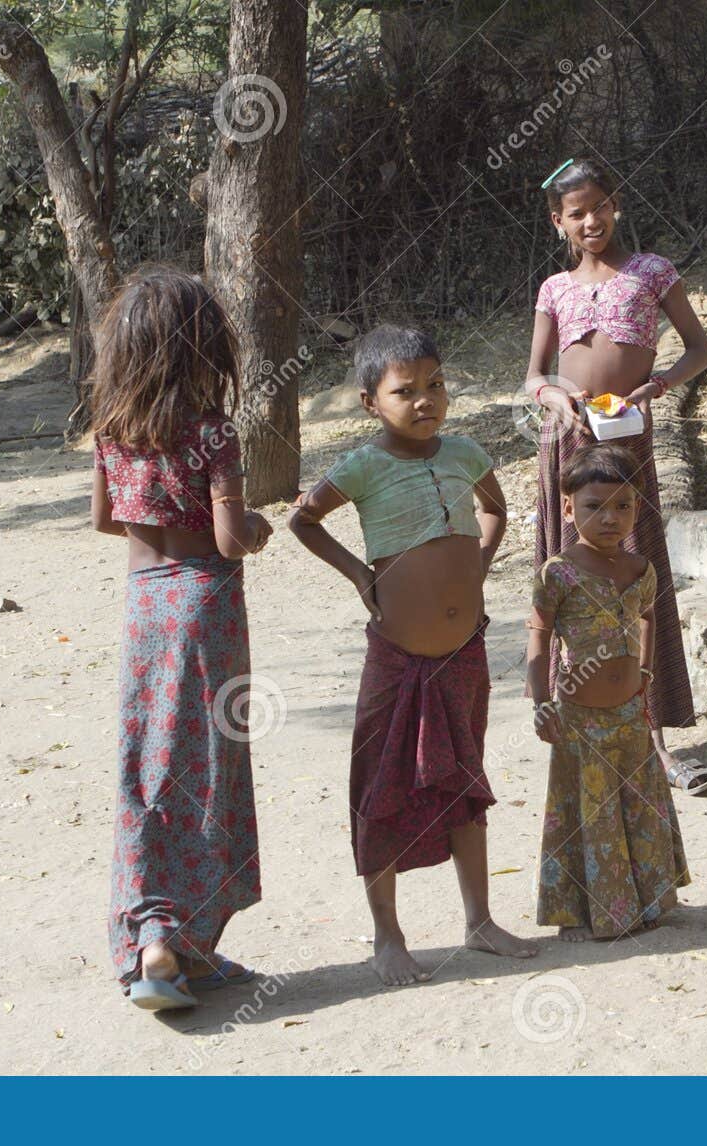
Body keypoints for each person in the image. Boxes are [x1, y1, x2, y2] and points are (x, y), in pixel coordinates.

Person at [289, 324, 538, 985]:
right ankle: (388, 934)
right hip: (398, 654)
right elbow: (303, 520)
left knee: (466, 781)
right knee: (381, 786)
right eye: (405, 391)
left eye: (436, 385)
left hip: (466, 652)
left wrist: (478, 567)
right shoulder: (363, 467)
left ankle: (480, 921)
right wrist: (359, 576)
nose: (425, 400)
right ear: (371, 402)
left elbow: (495, 510)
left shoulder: (463, 452)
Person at [90, 269, 274, 1011]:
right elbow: (230, 541)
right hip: (206, 609)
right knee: (207, 764)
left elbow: (106, 522)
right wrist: (254, 526)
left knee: (149, 762)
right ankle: (177, 940)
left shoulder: (112, 429)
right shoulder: (212, 432)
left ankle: (154, 938)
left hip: (145, 608)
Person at [525, 156, 707, 794]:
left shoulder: (652, 273)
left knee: (634, 579)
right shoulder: (553, 288)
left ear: (617, 206)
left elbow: (700, 349)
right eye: (576, 213)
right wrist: (555, 398)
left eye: (599, 207)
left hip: (626, 445)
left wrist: (654, 389)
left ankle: (653, 740)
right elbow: (535, 376)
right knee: (574, 580)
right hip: (566, 449)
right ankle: (578, 721)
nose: (591, 221)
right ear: (558, 222)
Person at [527, 443, 691, 941]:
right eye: (595, 506)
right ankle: (588, 911)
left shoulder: (640, 571)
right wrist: (541, 703)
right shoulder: (559, 572)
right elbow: (538, 635)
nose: (609, 518)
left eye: (623, 506)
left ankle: (646, 901)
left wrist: (645, 675)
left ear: (637, 509)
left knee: (640, 805)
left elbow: (647, 618)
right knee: (587, 814)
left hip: (629, 715)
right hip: (580, 718)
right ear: (568, 505)